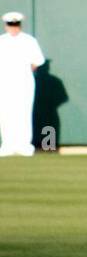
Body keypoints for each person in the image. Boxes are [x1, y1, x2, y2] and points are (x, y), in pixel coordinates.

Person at [0, 11, 45, 157]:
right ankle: (7, 145)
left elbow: (37, 61)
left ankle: (24, 145)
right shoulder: (2, 41)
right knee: (6, 113)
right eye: (10, 25)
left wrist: (23, 74)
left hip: (24, 82)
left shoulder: (29, 40)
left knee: (23, 112)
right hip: (5, 82)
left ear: (20, 25)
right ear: (6, 26)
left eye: (16, 25)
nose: (13, 28)